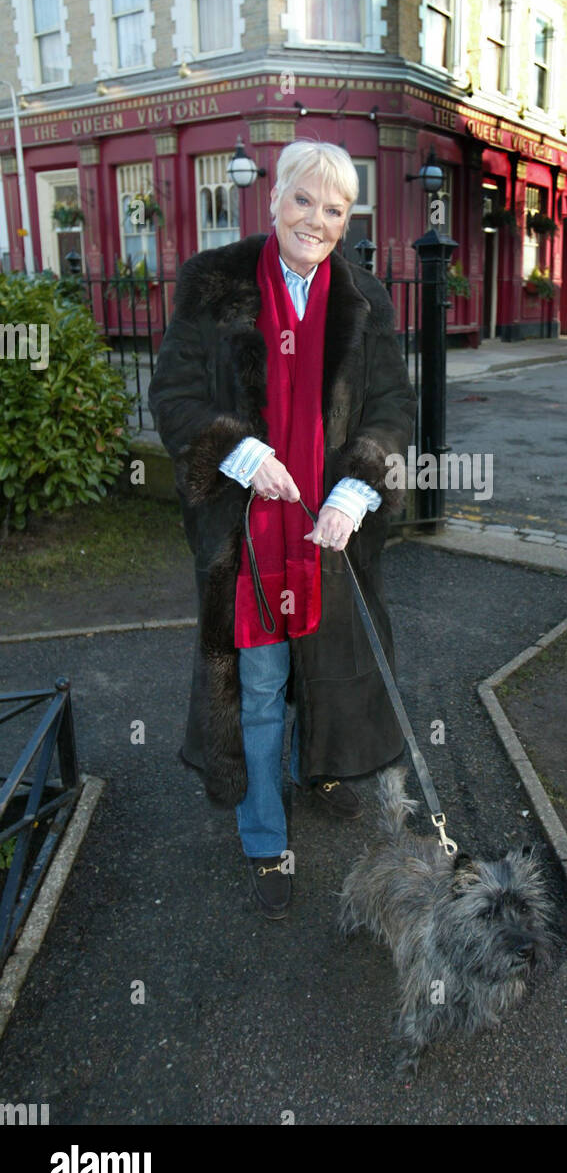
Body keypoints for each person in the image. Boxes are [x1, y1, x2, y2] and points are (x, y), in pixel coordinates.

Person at [148, 140, 417, 918]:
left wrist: (356, 488)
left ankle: (318, 765)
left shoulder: (364, 295)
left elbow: (392, 408)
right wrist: (238, 449)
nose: (317, 220)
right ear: (274, 199)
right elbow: (174, 397)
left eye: (335, 209)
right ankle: (265, 835)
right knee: (261, 686)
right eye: (304, 200)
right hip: (248, 536)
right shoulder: (214, 282)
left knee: (327, 668)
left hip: (331, 532)